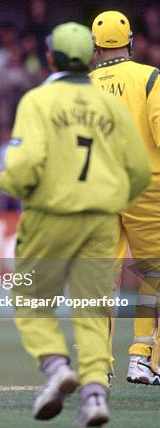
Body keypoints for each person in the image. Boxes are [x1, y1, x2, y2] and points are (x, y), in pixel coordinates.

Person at [0, 23, 150, 427]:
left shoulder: (39, 100)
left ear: (50, 58)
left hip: (51, 215)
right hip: (100, 217)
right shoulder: (110, 105)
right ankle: (96, 391)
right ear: (90, 56)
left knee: (30, 299)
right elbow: (137, 169)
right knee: (93, 306)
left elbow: (24, 168)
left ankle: (58, 366)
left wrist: (4, 182)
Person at [89, 10, 160, 386]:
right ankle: (142, 359)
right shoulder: (149, 78)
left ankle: (98, 364)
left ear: (96, 47)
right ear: (130, 42)